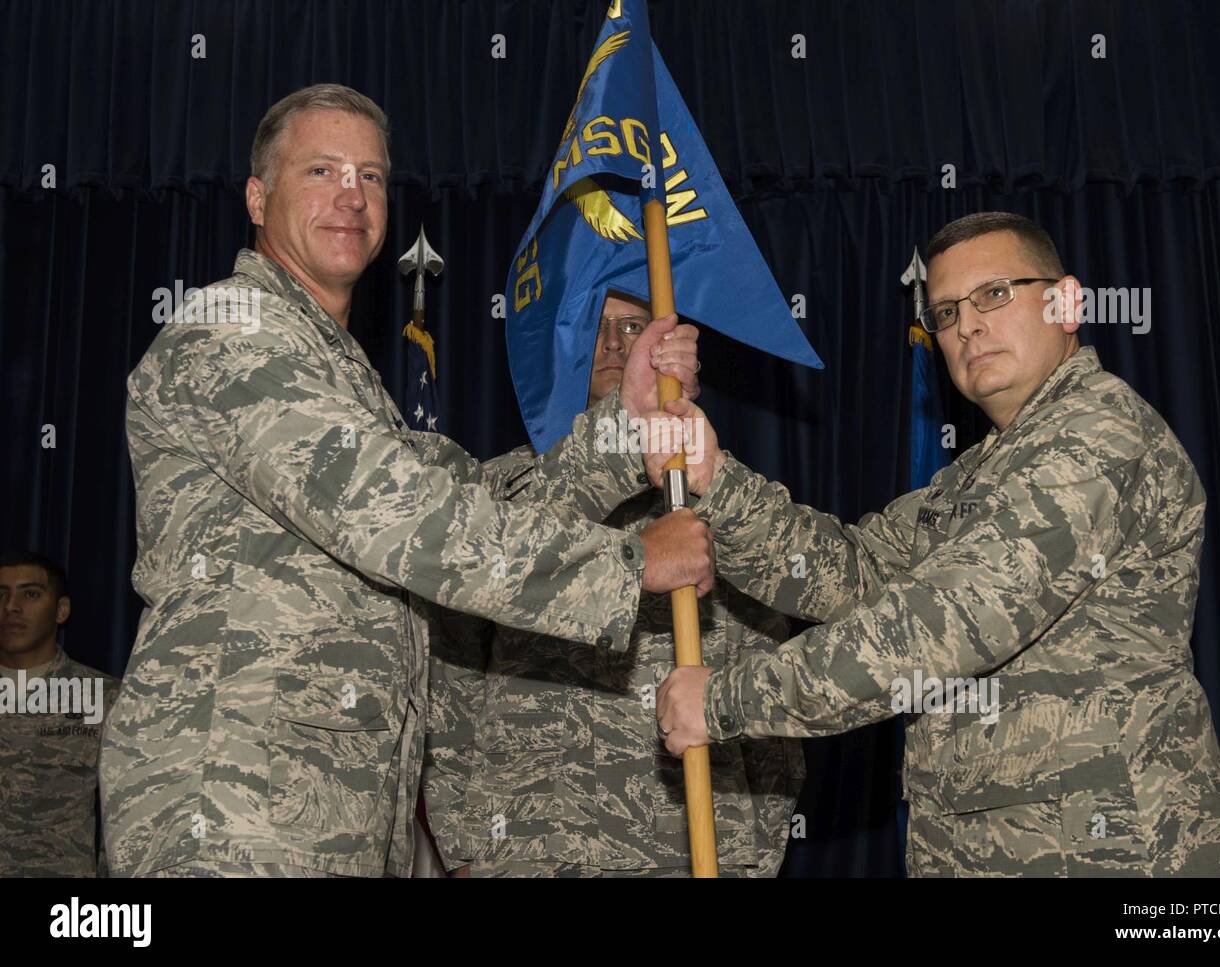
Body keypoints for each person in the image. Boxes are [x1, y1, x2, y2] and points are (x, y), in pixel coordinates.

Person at [103, 83, 711, 877]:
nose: (350, 197)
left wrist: (625, 423)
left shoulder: (346, 378)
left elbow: (477, 504)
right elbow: (400, 515)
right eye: (321, 172)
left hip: (333, 815)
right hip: (230, 805)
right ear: (257, 197)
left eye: (371, 177)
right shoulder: (230, 330)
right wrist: (630, 566)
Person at [651, 212, 1220, 876]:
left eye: (995, 293)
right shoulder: (974, 476)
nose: (968, 325)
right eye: (947, 311)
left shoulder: (1100, 433)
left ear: (1067, 302)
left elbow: (943, 622)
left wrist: (728, 700)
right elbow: (854, 570)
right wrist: (716, 480)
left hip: (1114, 853)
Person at [423, 292, 803, 877]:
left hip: (683, 844)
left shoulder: (723, 499)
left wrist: (754, 856)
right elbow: (452, 678)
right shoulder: (502, 494)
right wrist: (464, 849)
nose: (614, 344)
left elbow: (768, 697)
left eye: (633, 326)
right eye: (595, 327)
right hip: (531, 842)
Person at [0, 551, 119, 876]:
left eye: (31, 594)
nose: (11, 607)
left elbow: (124, 817)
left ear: (61, 610)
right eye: (1, 594)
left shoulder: (105, 698)